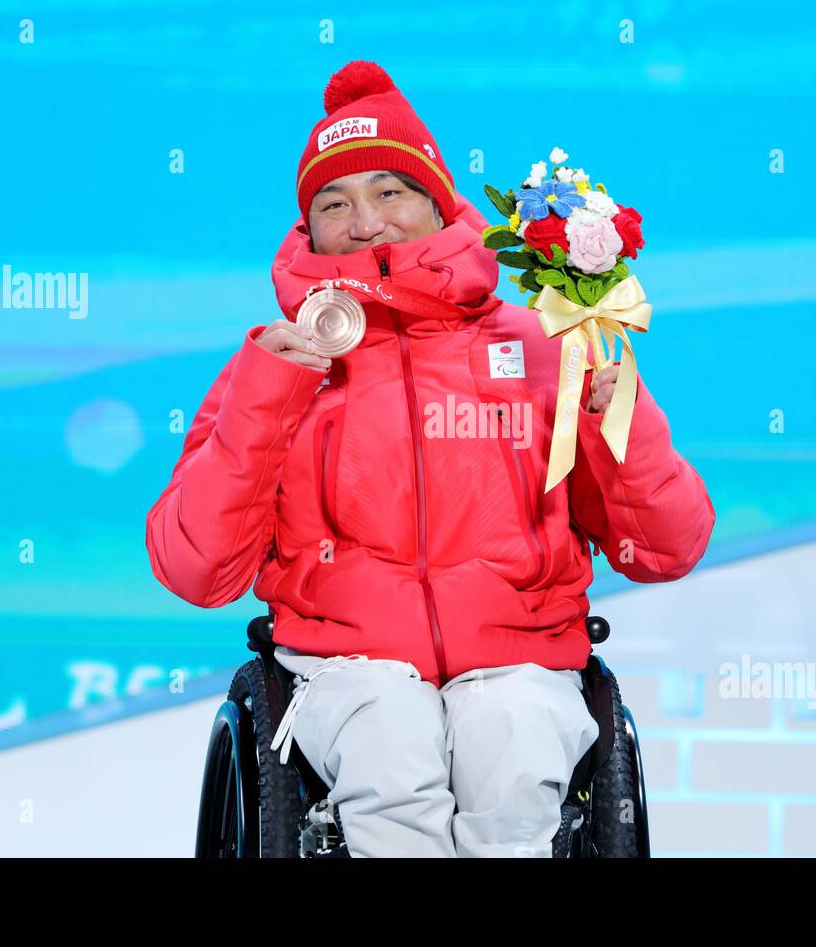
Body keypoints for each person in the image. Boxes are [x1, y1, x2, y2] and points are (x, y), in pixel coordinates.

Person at [145, 60, 716, 857]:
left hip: (522, 656)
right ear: (306, 231)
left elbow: (666, 547)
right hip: (344, 665)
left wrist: (614, 419)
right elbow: (193, 568)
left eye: (390, 191)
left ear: (437, 202)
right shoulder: (277, 362)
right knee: (390, 740)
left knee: (510, 741)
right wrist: (269, 393)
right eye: (333, 204)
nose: (366, 221)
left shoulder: (545, 344)